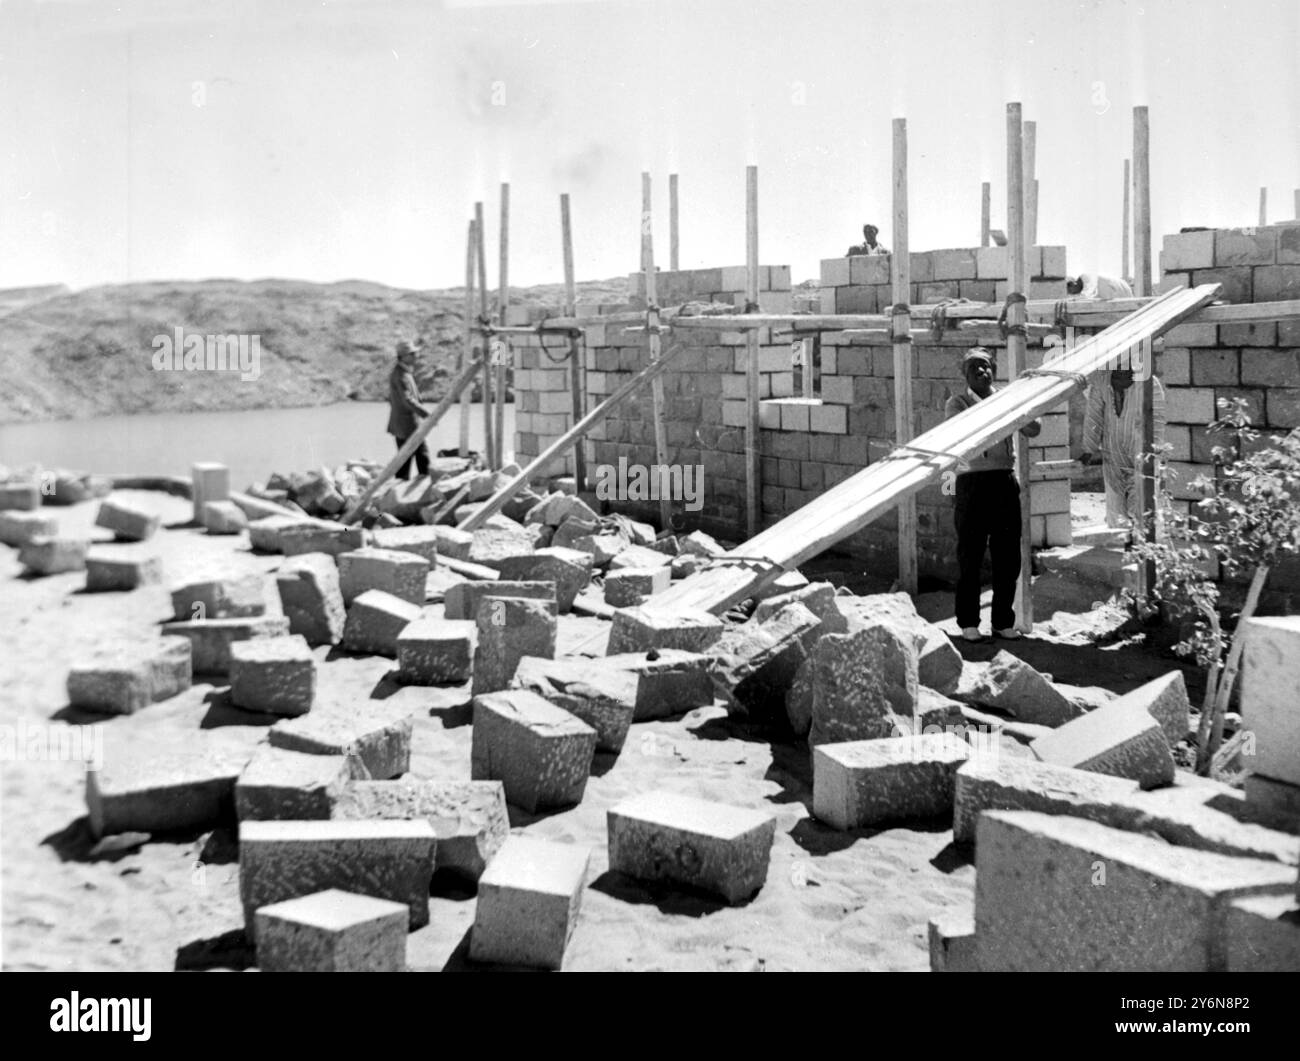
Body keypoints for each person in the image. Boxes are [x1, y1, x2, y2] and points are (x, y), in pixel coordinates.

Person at [944, 348, 1042, 642]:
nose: (981, 372)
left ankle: (1002, 622)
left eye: (986, 367)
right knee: (970, 556)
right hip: (972, 483)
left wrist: (1016, 406)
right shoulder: (957, 403)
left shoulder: (1005, 399)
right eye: (974, 367)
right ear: (965, 374)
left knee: (1008, 557)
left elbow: (1034, 428)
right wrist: (1003, 407)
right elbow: (966, 431)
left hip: (1002, 481)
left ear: (993, 371)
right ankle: (969, 623)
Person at [1081, 367, 1166, 531]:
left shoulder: (1149, 383)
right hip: (1112, 456)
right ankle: (1120, 549)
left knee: (1142, 511)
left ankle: (1142, 550)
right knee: (1116, 512)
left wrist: (1154, 453)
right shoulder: (1101, 381)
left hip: (1141, 457)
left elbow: (1158, 419)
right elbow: (1093, 416)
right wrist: (1088, 449)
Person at [387, 338, 434, 480]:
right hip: (406, 425)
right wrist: (426, 414)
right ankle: (422, 485)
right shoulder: (400, 375)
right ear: (403, 357)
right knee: (419, 456)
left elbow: (394, 399)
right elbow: (407, 399)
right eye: (412, 354)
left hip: (406, 423)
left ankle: (405, 488)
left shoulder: (403, 372)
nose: (415, 356)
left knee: (407, 458)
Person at [1066, 273, 1134, 300]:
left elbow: (1086, 297)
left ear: (1073, 284)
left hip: (1120, 302)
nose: (1073, 294)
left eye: (1070, 291)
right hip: (1123, 299)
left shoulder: (1088, 278)